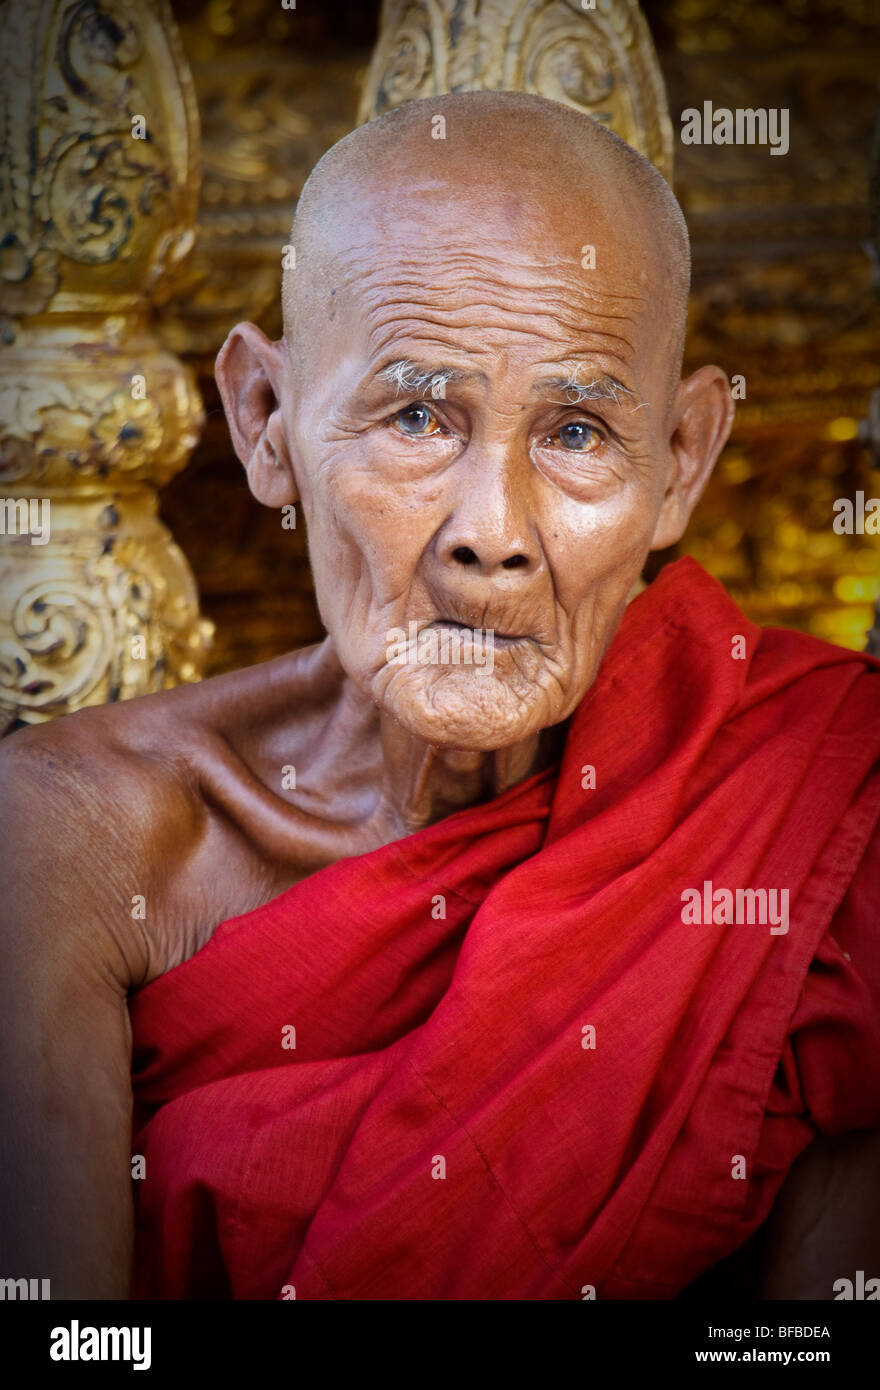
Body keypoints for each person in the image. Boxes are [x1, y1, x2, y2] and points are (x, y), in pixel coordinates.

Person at [1, 91, 878, 1301]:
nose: (494, 535)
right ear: (265, 421)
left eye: (576, 431)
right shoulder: (68, 842)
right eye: (417, 416)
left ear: (679, 464)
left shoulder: (801, 796)